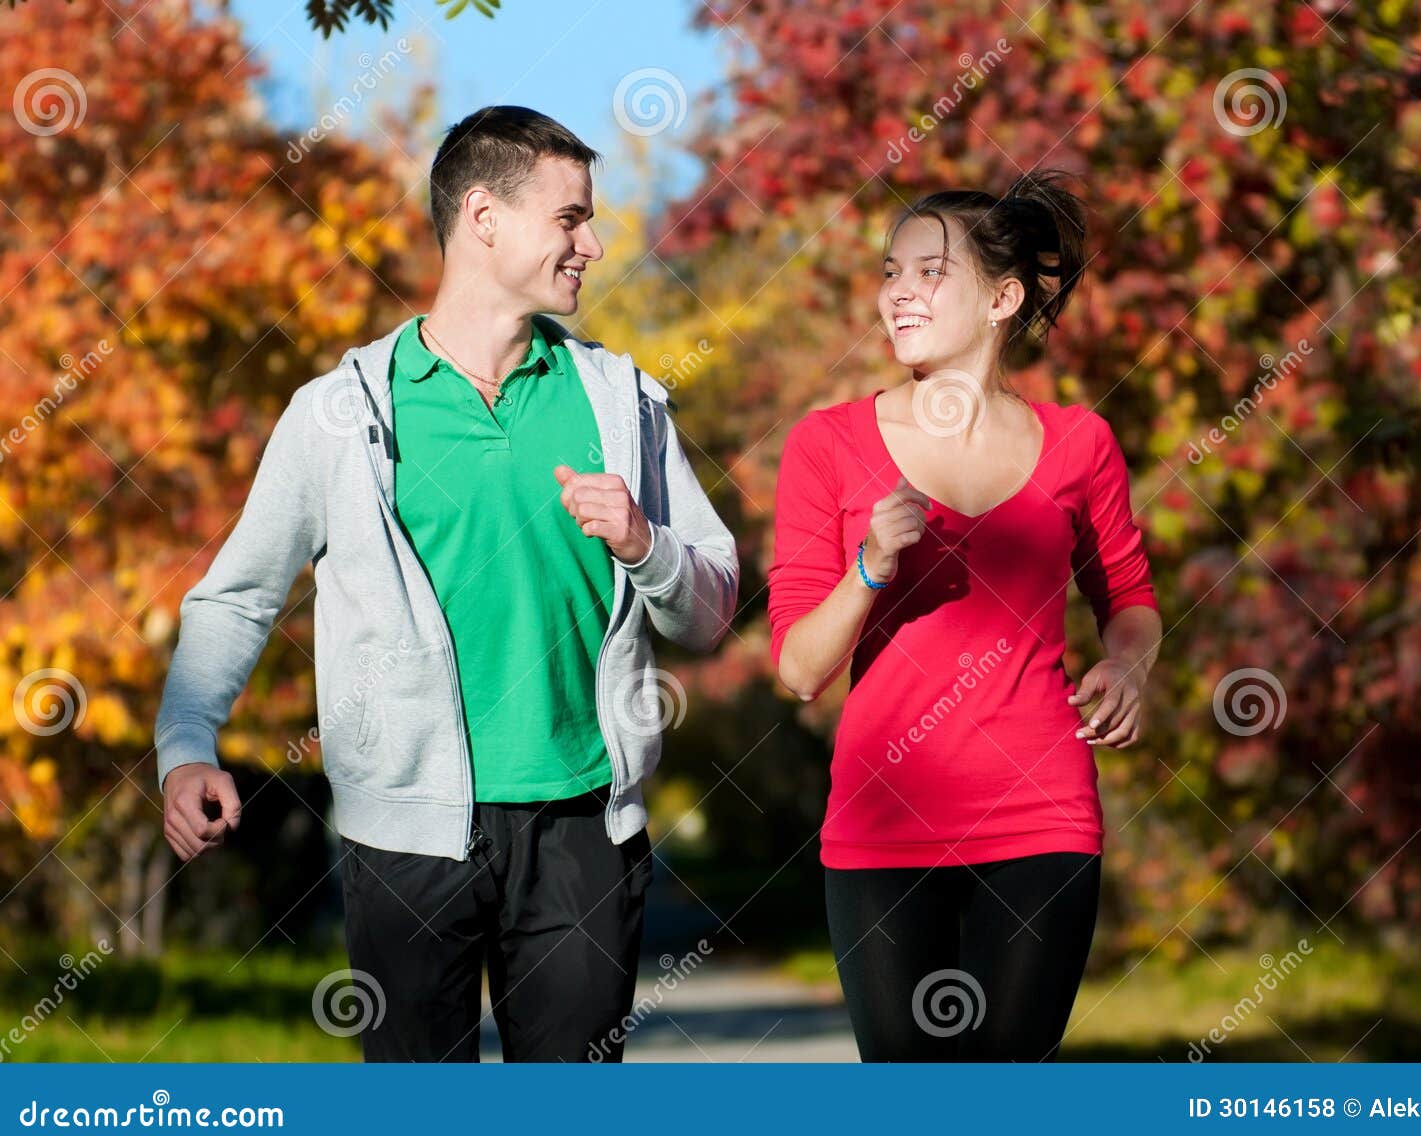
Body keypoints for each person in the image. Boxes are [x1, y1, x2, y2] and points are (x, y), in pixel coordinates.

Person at [154, 106, 739, 1062]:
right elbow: (237, 595)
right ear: (483, 217)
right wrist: (185, 743)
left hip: (586, 829)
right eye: (571, 218)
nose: (593, 244)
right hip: (406, 836)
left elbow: (712, 606)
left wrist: (646, 544)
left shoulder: (621, 399)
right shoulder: (342, 414)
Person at [767, 171, 1162, 1061]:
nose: (898, 291)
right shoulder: (826, 443)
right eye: (890, 271)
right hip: (883, 824)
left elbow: (1130, 601)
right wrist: (869, 568)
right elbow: (797, 669)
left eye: (929, 271)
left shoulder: (1079, 444)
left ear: (1002, 298)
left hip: (1042, 816)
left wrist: (1129, 665)